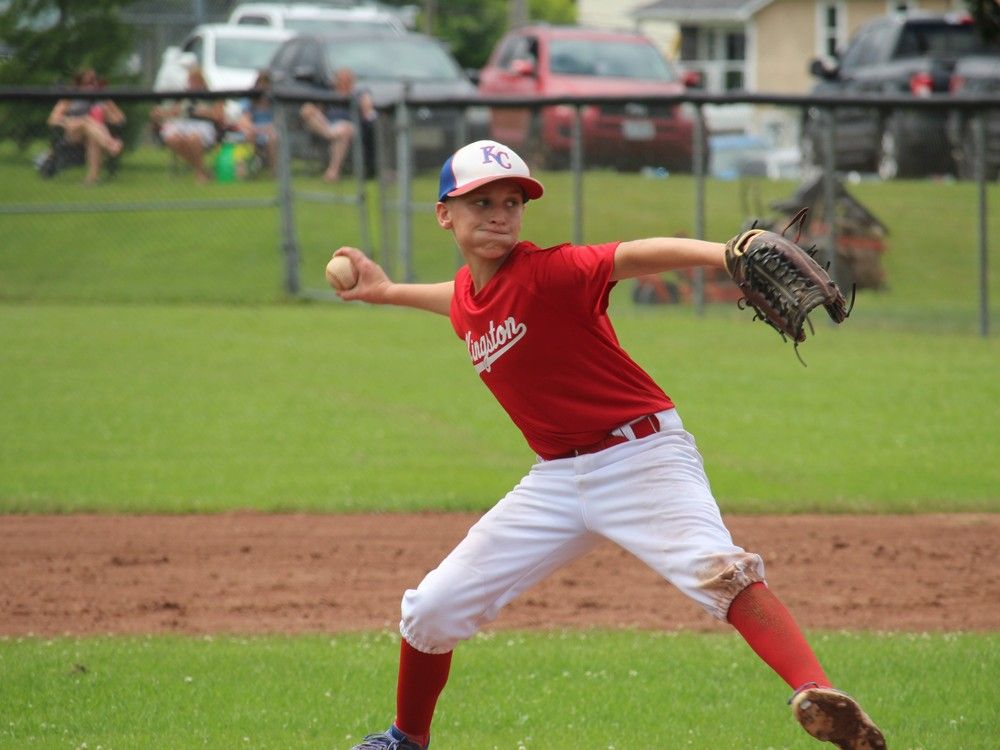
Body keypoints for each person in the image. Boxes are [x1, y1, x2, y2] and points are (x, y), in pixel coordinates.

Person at [330, 140, 887, 750]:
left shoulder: (549, 271)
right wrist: (383, 292)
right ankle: (405, 740)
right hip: (557, 481)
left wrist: (726, 254)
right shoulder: (470, 296)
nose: (498, 214)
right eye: (480, 201)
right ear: (445, 214)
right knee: (430, 609)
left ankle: (821, 697)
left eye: (511, 202)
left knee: (719, 572)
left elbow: (630, 256)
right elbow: (459, 303)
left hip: (642, 456)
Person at [45, 68, 125, 185]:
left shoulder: (102, 98)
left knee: (91, 132)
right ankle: (111, 144)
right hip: (73, 134)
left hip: (95, 134)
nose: (90, 85)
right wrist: (67, 121)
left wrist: (108, 115)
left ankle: (91, 179)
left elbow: (120, 118)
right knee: (86, 121)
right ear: (79, 83)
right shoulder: (69, 97)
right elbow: (52, 120)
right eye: (86, 83)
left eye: (93, 81)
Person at [150, 66, 226, 183]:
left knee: (193, 138)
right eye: (190, 81)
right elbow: (173, 112)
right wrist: (163, 113)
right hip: (183, 123)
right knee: (172, 138)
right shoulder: (183, 95)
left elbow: (219, 115)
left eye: (194, 81)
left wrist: (204, 111)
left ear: (201, 81)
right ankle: (202, 169)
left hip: (204, 125)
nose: (191, 84)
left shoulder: (211, 95)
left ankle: (200, 174)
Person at [300, 67, 375, 182]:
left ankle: (333, 172)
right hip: (328, 127)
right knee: (307, 108)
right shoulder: (329, 93)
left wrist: (363, 105)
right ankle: (330, 134)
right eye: (341, 80)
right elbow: (317, 110)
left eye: (347, 80)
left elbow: (368, 110)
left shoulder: (359, 93)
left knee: (343, 130)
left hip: (351, 127)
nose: (343, 83)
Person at [237, 70, 278, 176]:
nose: (263, 86)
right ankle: (250, 169)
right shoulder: (249, 100)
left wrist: (266, 129)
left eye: (266, 83)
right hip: (255, 131)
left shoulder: (275, 101)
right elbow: (244, 120)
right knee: (248, 134)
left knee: (272, 137)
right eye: (260, 83)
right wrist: (256, 129)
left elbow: (277, 122)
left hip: (271, 132)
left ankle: (273, 171)